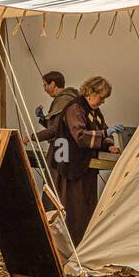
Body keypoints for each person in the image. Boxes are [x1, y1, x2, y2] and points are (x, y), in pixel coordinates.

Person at [51, 76, 120, 244]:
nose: (102, 102)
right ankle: (70, 245)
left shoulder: (94, 111)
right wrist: (104, 134)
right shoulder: (76, 108)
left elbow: (102, 129)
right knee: (74, 210)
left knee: (86, 208)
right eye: (101, 98)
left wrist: (109, 145)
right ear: (90, 92)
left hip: (85, 167)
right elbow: (80, 136)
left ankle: (84, 244)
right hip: (70, 167)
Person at [35, 71, 79, 144]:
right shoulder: (66, 98)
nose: (45, 89)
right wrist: (43, 118)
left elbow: (57, 128)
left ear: (52, 84)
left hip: (63, 146)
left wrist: (33, 137)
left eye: (45, 85)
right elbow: (59, 125)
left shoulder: (64, 100)